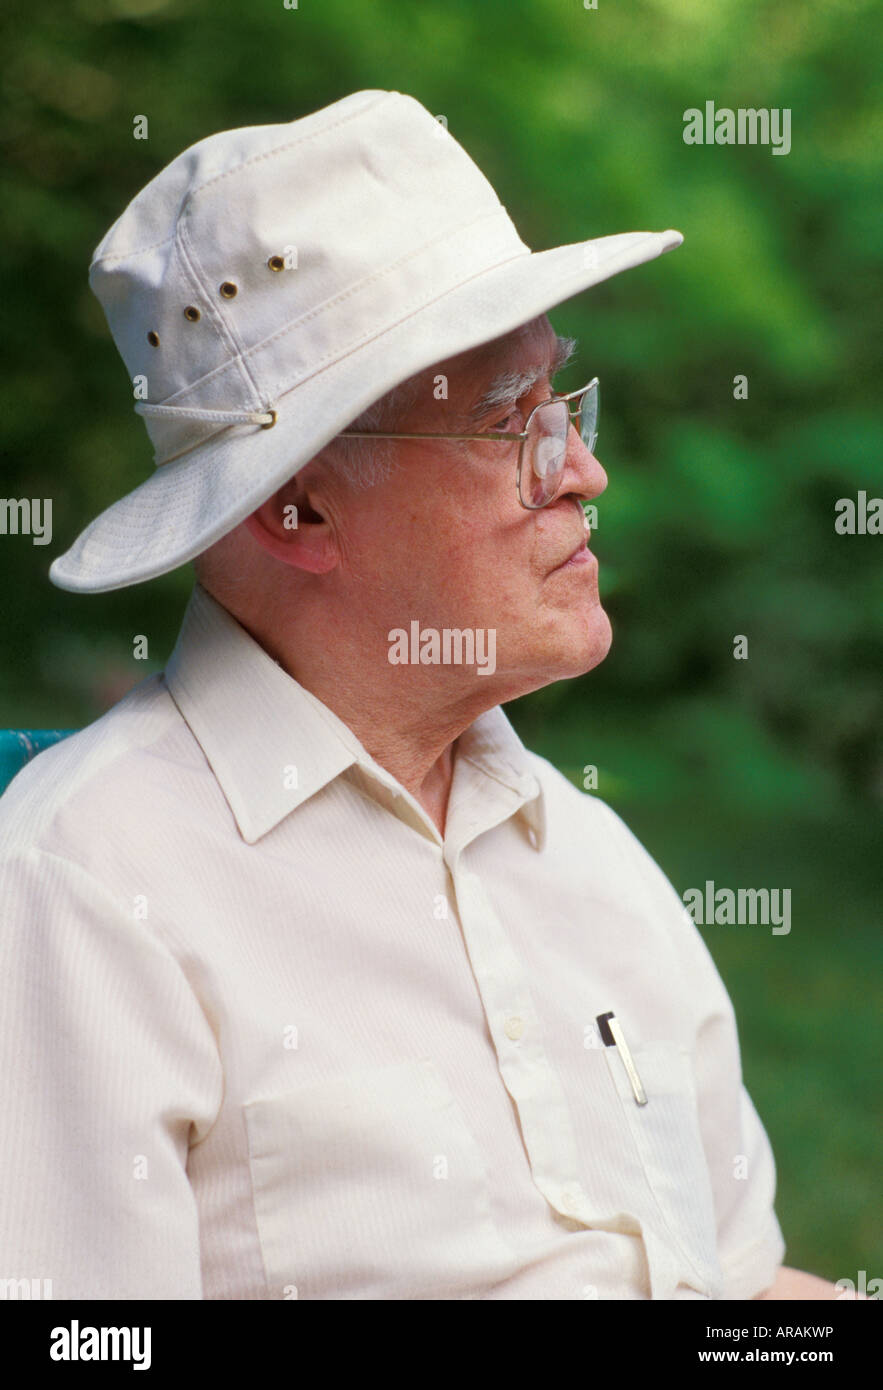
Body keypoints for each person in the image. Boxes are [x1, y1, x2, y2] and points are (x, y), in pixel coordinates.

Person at [0, 89, 841, 1300]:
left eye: (565, 406)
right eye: (512, 426)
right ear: (297, 511)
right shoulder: (85, 887)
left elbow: (747, 1295)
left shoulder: (589, 857)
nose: (586, 471)